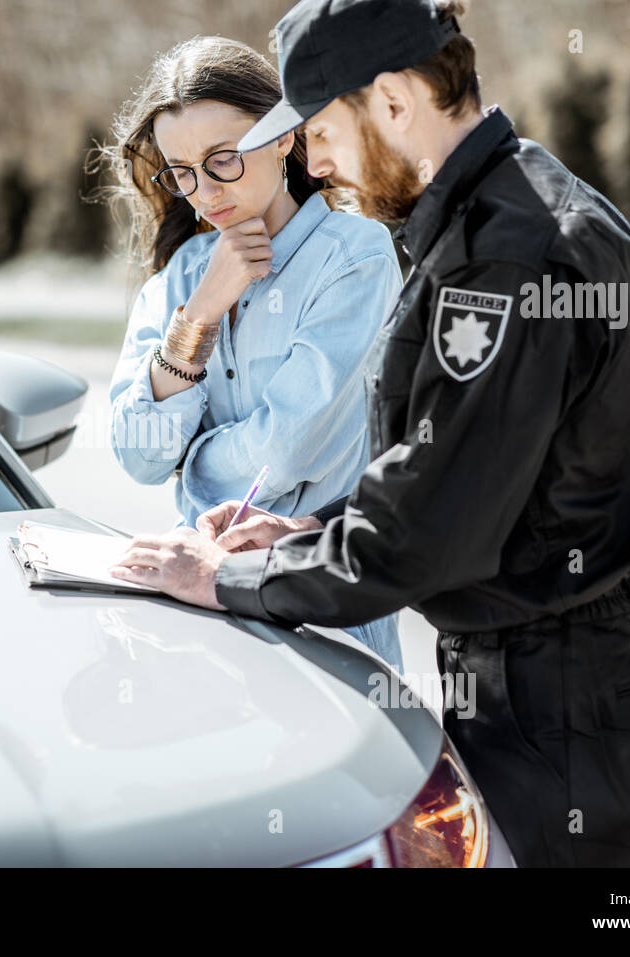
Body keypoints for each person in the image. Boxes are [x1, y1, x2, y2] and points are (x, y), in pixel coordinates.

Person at [108, 0, 630, 868]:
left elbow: (419, 541)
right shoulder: (505, 208)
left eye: (320, 129)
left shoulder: (505, 257)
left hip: (567, 696)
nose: (313, 159)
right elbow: (459, 480)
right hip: (558, 678)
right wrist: (312, 531)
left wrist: (231, 577)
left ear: (393, 101)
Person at [100, 35, 404, 669]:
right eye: (182, 173)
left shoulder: (355, 258)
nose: (205, 193)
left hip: (320, 612)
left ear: (284, 137)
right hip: (197, 608)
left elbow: (286, 452)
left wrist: (194, 465)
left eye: (223, 160)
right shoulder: (182, 281)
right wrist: (200, 317)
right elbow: (137, 455)